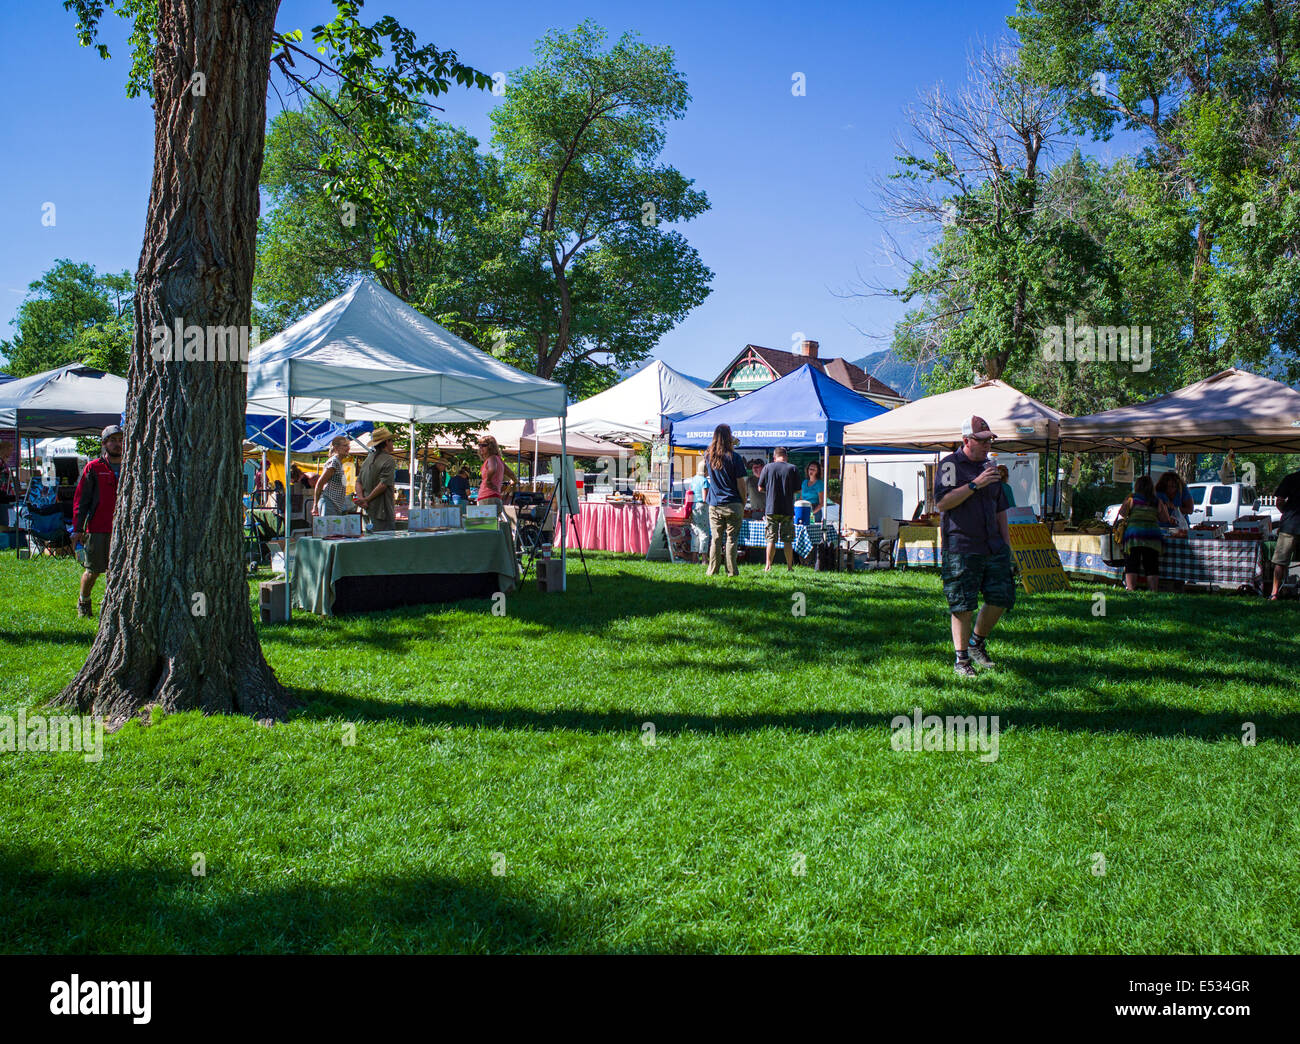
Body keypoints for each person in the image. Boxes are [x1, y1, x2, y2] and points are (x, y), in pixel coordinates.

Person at [933, 416, 1013, 677]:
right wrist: (974, 484)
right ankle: (962, 661)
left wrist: (1006, 545)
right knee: (962, 605)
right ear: (966, 440)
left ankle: (976, 642)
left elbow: (1000, 509)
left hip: (993, 546)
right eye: (982, 440)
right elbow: (942, 503)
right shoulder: (950, 466)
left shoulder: (992, 467)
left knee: (1001, 598)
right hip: (962, 545)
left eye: (990, 439)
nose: (987, 444)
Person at [71, 424, 124, 618]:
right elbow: (81, 500)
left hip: (125, 528)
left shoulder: (133, 464)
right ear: (104, 444)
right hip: (97, 527)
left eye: (120, 440)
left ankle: (109, 604)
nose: (117, 444)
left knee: (117, 569)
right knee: (93, 570)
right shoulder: (93, 468)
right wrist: (77, 529)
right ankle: (84, 601)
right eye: (113, 440)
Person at [703, 424, 747, 577]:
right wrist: (743, 500)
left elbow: (714, 450)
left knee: (715, 539)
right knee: (731, 539)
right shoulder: (735, 457)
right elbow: (741, 482)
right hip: (733, 503)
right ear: (729, 437)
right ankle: (731, 571)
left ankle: (712, 570)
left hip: (715, 504)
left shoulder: (708, 455)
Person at [1117, 475, 1170, 592]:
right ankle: (1153, 590)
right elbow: (1165, 519)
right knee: (1151, 565)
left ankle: (1131, 589)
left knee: (1132, 564)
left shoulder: (1132, 499)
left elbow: (1122, 513)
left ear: (1137, 486)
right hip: (1152, 536)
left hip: (1134, 535)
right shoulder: (1157, 501)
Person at [758, 446, 800, 572]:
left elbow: (760, 487)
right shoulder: (792, 468)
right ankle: (789, 567)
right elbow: (798, 490)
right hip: (787, 509)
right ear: (786, 457)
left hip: (771, 508)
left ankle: (768, 566)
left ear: (774, 457)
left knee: (771, 538)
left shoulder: (767, 467)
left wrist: (770, 490)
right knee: (787, 540)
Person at [356, 426, 398, 532]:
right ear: (386, 442)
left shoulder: (367, 459)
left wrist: (362, 499)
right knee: (383, 544)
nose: (393, 443)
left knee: (367, 542)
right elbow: (383, 485)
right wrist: (366, 499)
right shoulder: (389, 459)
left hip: (366, 510)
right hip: (381, 511)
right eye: (391, 440)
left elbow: (358, 482)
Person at [1269, 467, 1300, 601]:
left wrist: (1286, 512)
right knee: (1280, 561)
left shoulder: (1290, 478)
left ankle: (1274, 593)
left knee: (1280, 561)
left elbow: (1279, 501)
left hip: (1290, 524)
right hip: (1291, 523)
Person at [314, 435, 354, 516]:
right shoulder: (333, 462)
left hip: (336, 504)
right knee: (329, 528)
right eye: (345, 445)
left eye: (348, 445)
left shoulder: (339, 462)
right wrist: (315, 505)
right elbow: (320, 484)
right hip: (329, 503)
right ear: (336, 448)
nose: (348, 448)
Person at [475, 434, 516, 508]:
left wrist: (488, 481)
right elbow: (511, 473)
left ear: (491, 447)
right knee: (493, 519)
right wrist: (515, 481)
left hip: (487, 497)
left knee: (486, 519)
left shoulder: (492, 458)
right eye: (479, 445)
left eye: (484, 445)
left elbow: (492, 468)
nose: (481, 447)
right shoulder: (499, 460)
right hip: (495, 496)